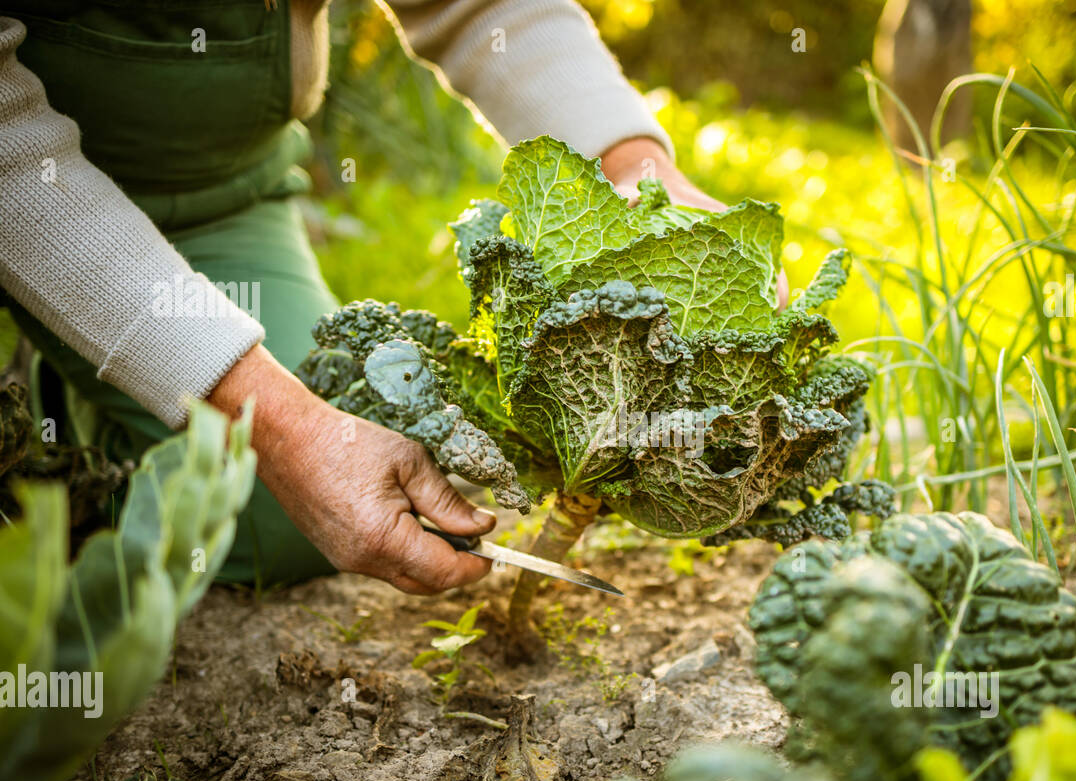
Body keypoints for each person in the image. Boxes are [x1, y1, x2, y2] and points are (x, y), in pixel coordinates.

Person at [0, 0, 734, 596]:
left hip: (219, 197)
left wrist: (630, 162)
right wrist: (283, 428)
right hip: (25, 199)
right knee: (279, 459)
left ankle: (84, 387)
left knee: (286, 519)